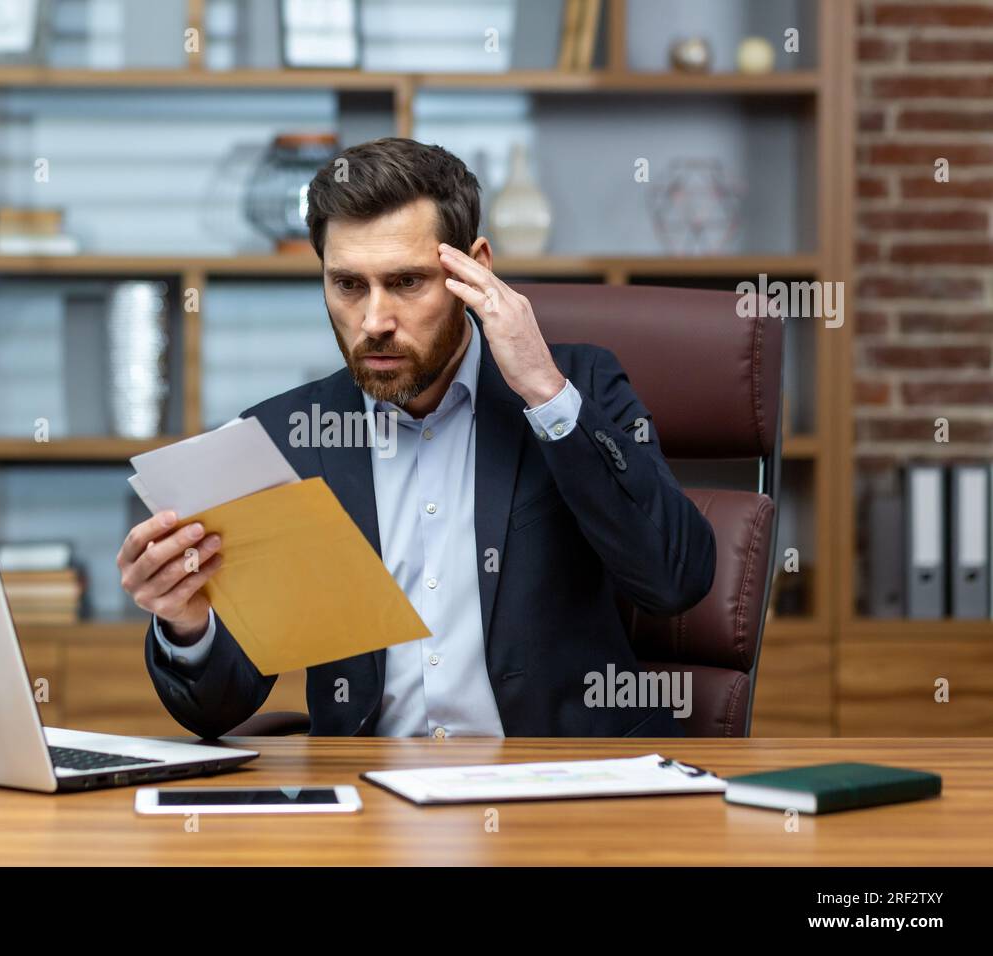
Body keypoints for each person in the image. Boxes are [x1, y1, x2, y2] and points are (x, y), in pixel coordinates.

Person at [118, 137, 716, 739]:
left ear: (475, 267)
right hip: (367, 804)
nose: (374, 322)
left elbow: (674, 580)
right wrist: (188, 622)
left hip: (552, 792)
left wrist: (543, 391)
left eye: (406, 282)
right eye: (349, 286)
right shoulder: (284, 438)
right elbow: (221, 706)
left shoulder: (575, 386)